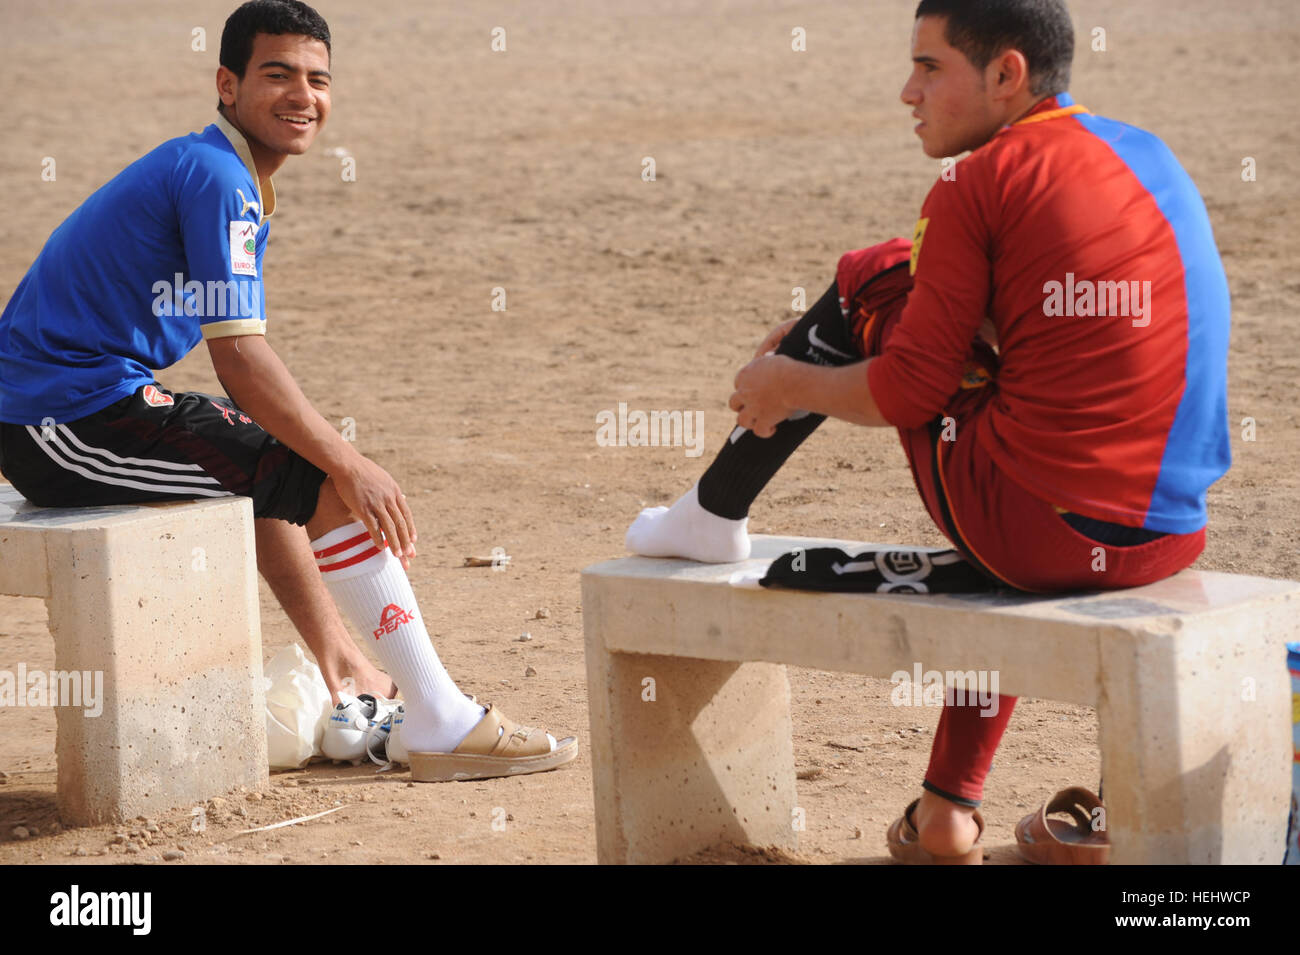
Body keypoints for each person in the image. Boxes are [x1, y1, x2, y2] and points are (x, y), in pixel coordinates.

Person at [626, 0, 1229, 862]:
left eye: (931, 67)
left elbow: (910, 391)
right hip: (1172, 535)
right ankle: (945, 808)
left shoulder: (974, 182)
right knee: (979, 369)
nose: (908, 92)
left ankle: (713, 510)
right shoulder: (1144, 150)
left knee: (874, 277)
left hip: (1040, 536)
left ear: (1007, 74)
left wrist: (788, 378)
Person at [0, 0, 576, 782]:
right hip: (56, 421)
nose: (302, 94)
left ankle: (353, 677)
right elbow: (239, 359)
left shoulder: (222, 172)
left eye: (318, 79)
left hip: (88, 405)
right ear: (227, 84)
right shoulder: (215, 177)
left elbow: (241, 382)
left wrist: (318, 455)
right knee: (312, 471)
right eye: (277, 75)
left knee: (275, 463)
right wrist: (352, 463)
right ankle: (439, 716)